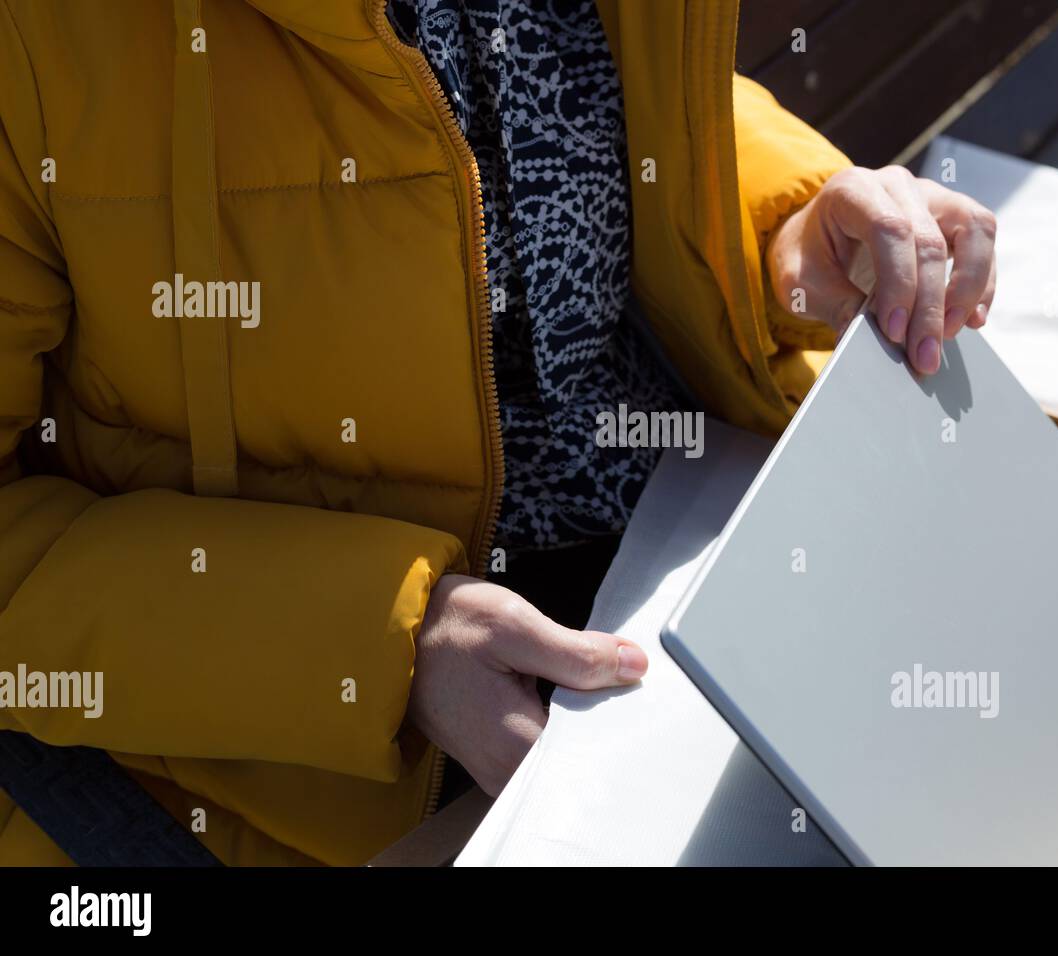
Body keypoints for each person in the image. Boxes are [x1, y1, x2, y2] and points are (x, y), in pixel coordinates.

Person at [0, 0, 996, 866]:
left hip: (715, 563)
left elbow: (592, 118)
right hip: (326, 774)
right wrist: (385, 643)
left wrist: (792, 233)